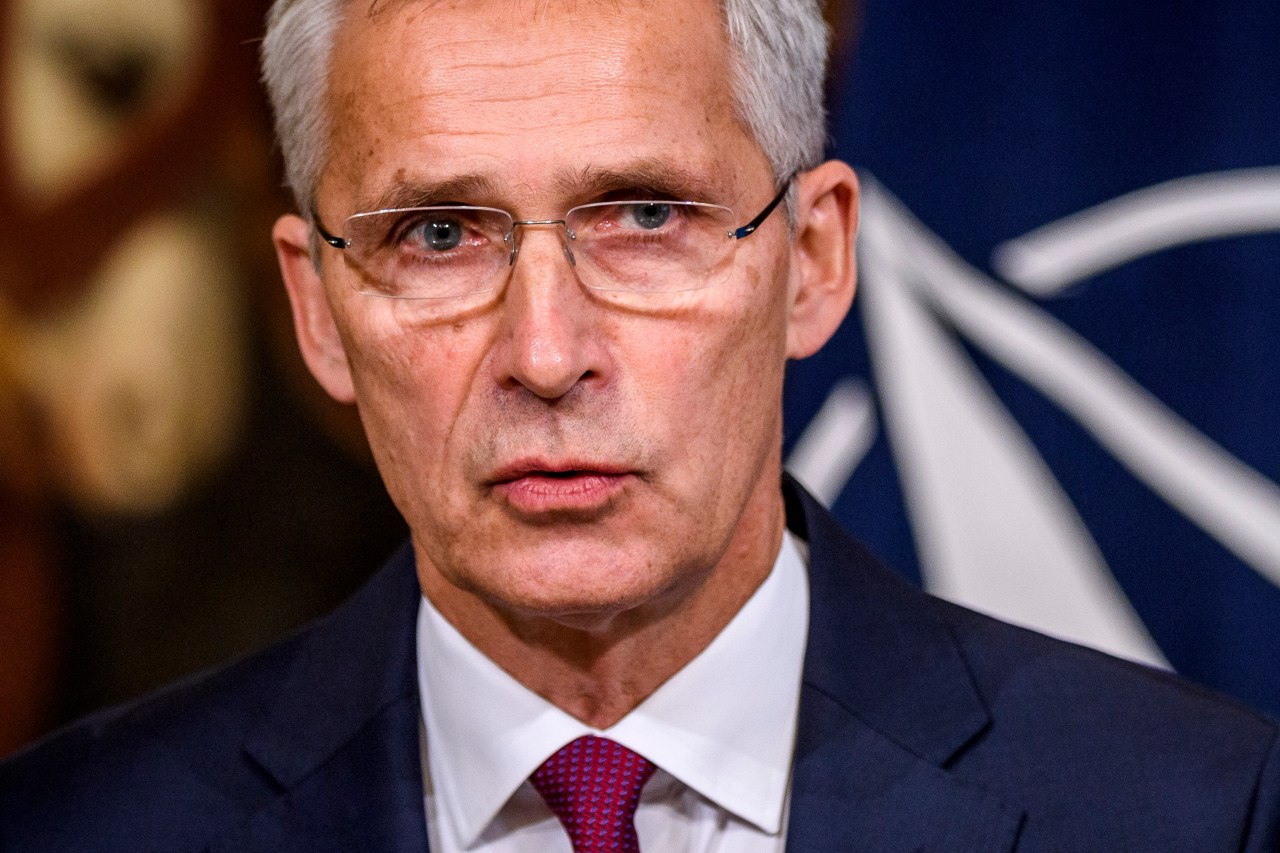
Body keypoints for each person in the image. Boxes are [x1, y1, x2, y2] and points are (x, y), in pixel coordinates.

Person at [2, 0, 1277, 849]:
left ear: (814, 260)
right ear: (317, 310)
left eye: (645, 217)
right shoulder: (73, 830)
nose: (545, 355)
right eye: (438, 235)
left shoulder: (1189, 813)